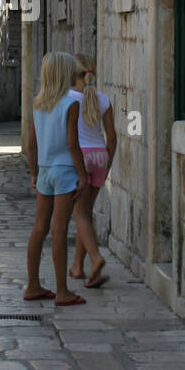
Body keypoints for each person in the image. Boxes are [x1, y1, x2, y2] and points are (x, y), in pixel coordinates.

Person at [26, 51, 87, 307]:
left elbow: (32, 144)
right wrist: (83, 175)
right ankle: (63, 291)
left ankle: (33, 285)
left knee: (40, 228)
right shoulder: (70, 104)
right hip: (64, 172)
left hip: (45, 170)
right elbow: (73, 144)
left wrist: (34, 172)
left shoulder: (38, 104)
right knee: (59, 229)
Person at [68, 55, 116, 288]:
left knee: (79, 214)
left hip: (81, 158)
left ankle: (95, 258)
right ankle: (78, 266)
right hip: (100, 156)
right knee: (86, 213)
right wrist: (108, 165)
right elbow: (112, 136)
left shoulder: (66, 99)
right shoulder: (104, 99)